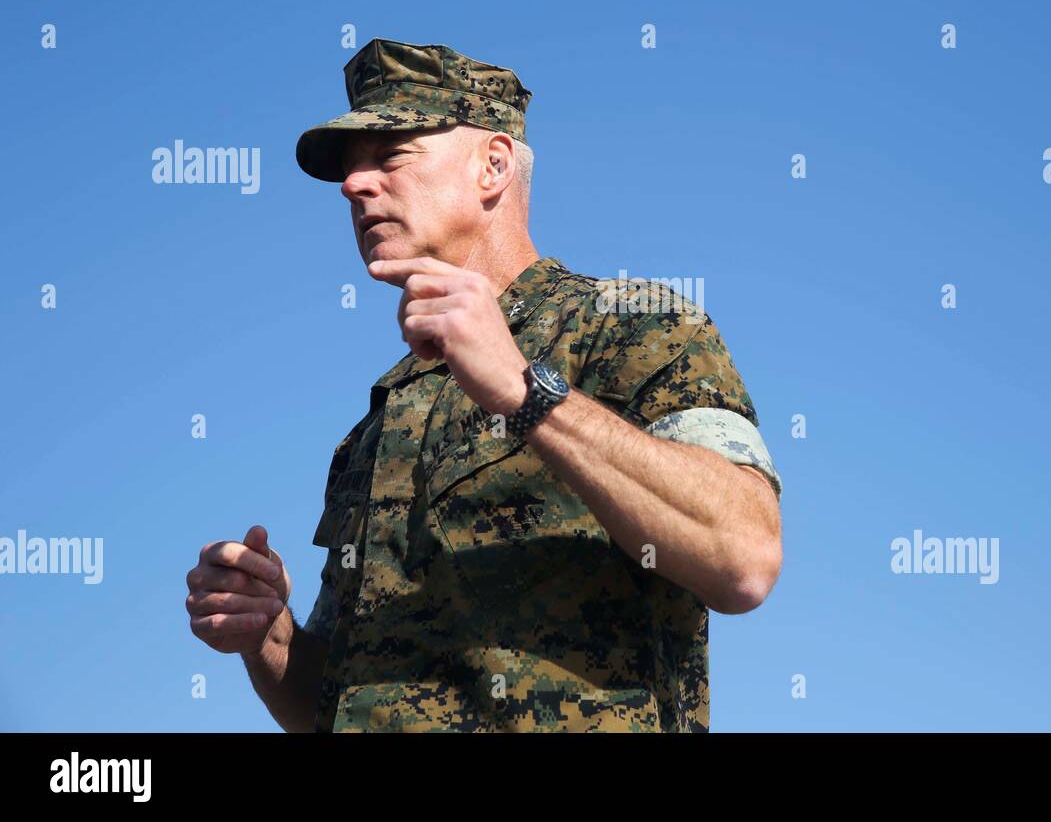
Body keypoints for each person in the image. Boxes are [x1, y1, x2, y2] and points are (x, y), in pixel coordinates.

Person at [185, 39, 784, 731]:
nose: (355, 185)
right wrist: (266, 633)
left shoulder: (630, 326)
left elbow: (744, 555)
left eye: (391, 156)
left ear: (493, 166)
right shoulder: (381, 421)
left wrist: (527, 392)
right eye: (351, 170)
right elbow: (339, 706)